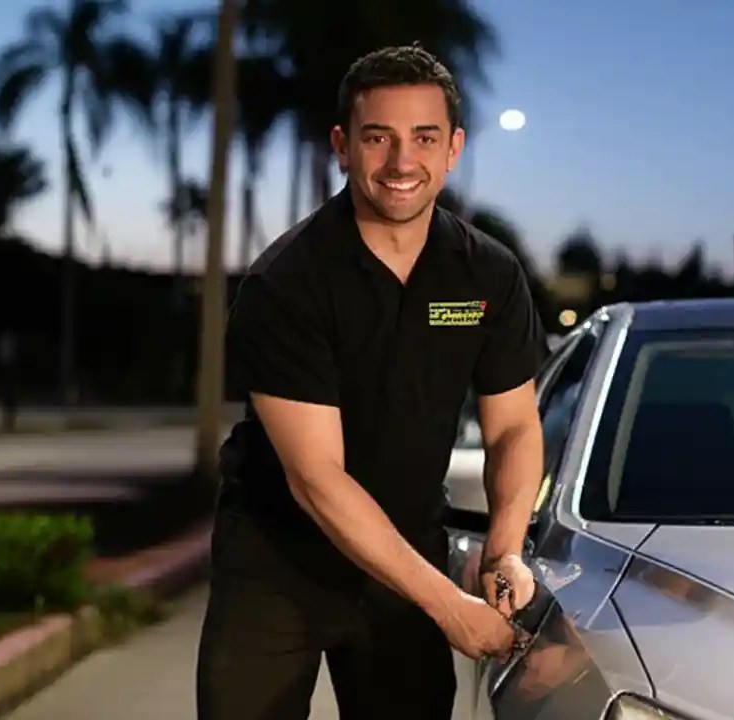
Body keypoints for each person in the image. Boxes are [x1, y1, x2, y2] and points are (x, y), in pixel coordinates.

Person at [196, 44, 548, 719]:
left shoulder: (487, 277)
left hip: (408, 553)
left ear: (453, 148)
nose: (401, 163)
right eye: (377, 137)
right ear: (342, 146)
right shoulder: (288, 284)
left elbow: (513, 427)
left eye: (424, 138)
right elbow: (316, 479)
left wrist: (505, 552)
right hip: (276, 564)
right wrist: (451, 606)